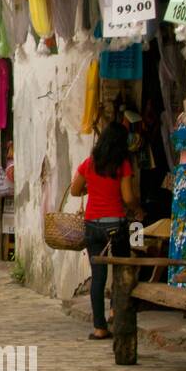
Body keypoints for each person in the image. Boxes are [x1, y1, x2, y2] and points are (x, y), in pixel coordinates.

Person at [71, 121, 141, 340]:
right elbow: (128, 198)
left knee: (98, 276)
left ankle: (99, 327)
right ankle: (116, 313)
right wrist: (137, 209)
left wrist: (91, 187)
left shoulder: (90, 163)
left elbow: (74, 190)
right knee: (122, 273)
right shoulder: (123, 165)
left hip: (93, 224)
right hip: (116, 225)